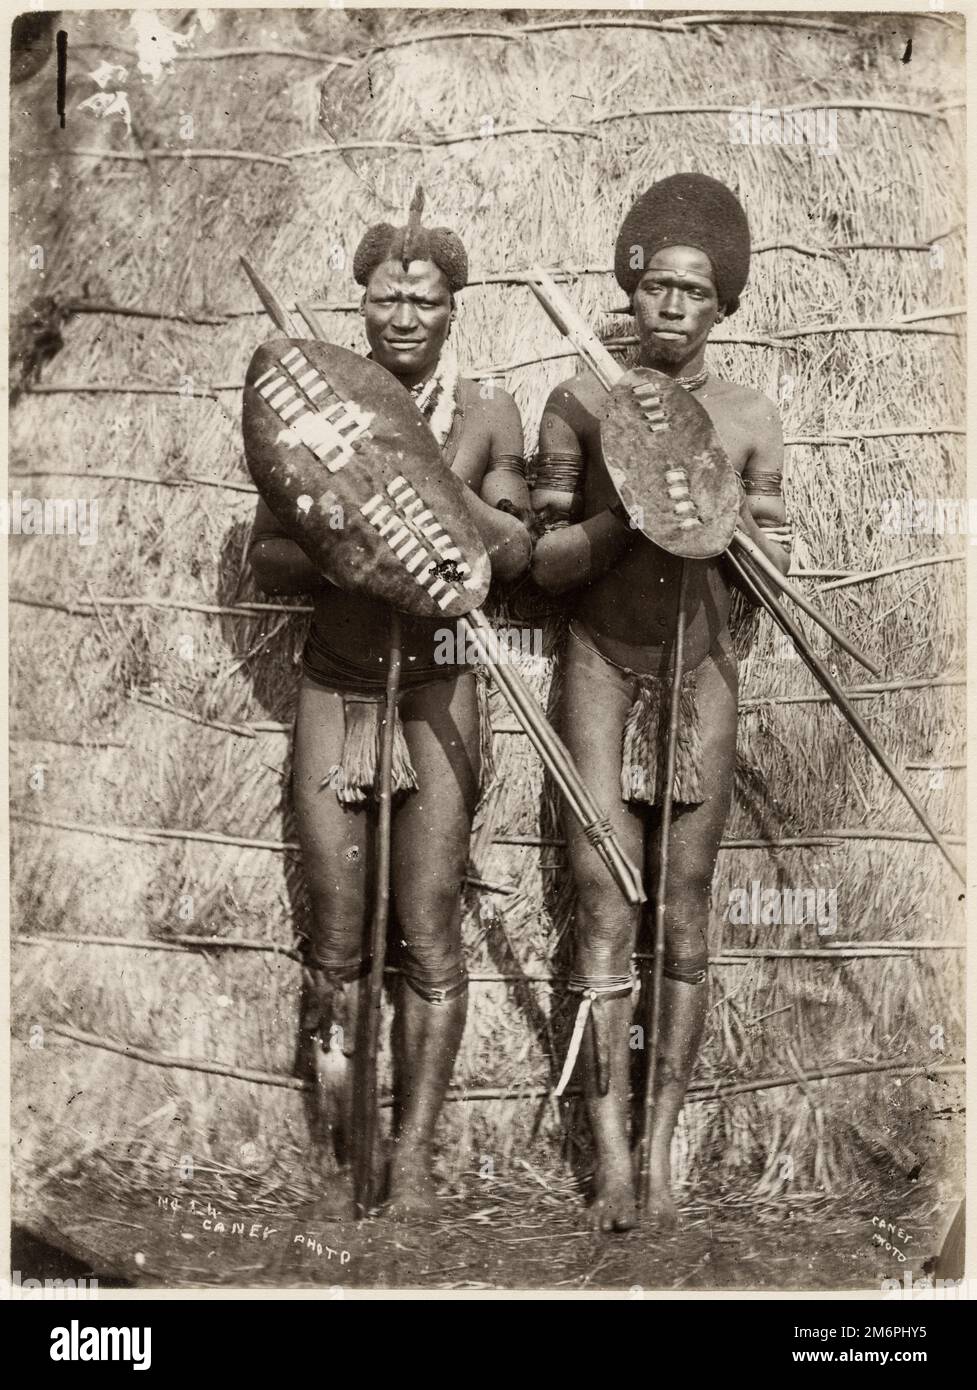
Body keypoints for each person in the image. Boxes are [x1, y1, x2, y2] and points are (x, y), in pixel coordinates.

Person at [249, 190, 532, 1218]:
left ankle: (410, 1157)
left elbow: (518, 551)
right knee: (333, 934)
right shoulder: (317, 404)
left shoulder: (489, 411)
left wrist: (413, 484)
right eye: (383, 298)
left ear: (454, 306)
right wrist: (351, 545)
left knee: (425, 927)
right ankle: (342, 1151)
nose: (403, 317)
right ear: (360, 304)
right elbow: (265, 546)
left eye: (423, 299)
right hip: (339, 686)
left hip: (437, 690)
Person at [531, 173, 792, 1232]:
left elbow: (773, 572)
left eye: (694, 290)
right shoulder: (579, 398)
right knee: (603, 901)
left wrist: (715, 515)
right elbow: (537, 565)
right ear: (630, 293)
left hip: (701, 670)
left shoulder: (745, 414)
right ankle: (603, 1158)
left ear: (720, 306)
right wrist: (621, 513)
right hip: (601, 659)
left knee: (682, 915)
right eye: (655, 287)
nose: (672, 305)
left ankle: (662, 1151)